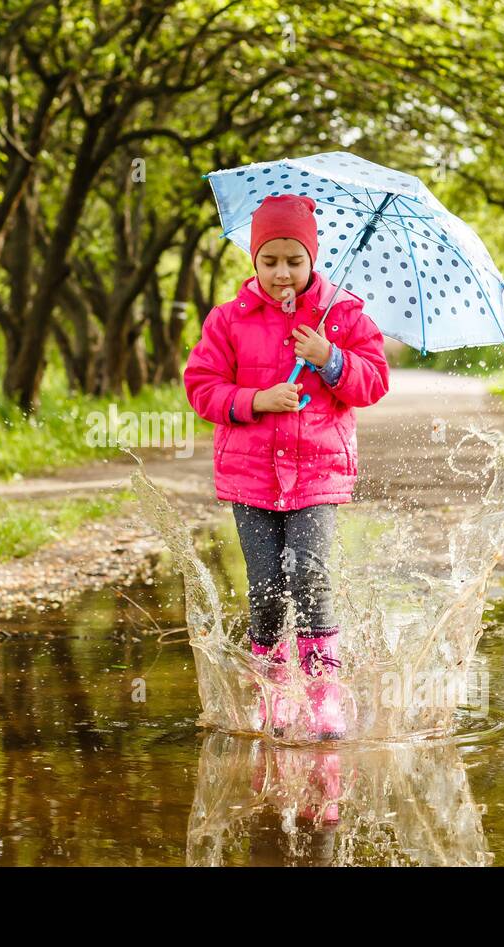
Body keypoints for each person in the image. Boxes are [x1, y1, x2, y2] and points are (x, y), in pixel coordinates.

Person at [183, 193, 391, 739]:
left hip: (317, 472)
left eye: (294, 261)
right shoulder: (230, 320)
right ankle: (273, 692)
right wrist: (255, 400)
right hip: (251, 476)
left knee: (310, 576)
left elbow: (373, 383)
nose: (282, 273)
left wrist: (331, 358)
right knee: (267, 585)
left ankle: (323, 698)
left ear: (312, 260)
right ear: (253, 259)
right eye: (270, 260)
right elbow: (202, 387)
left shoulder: (342, 316)